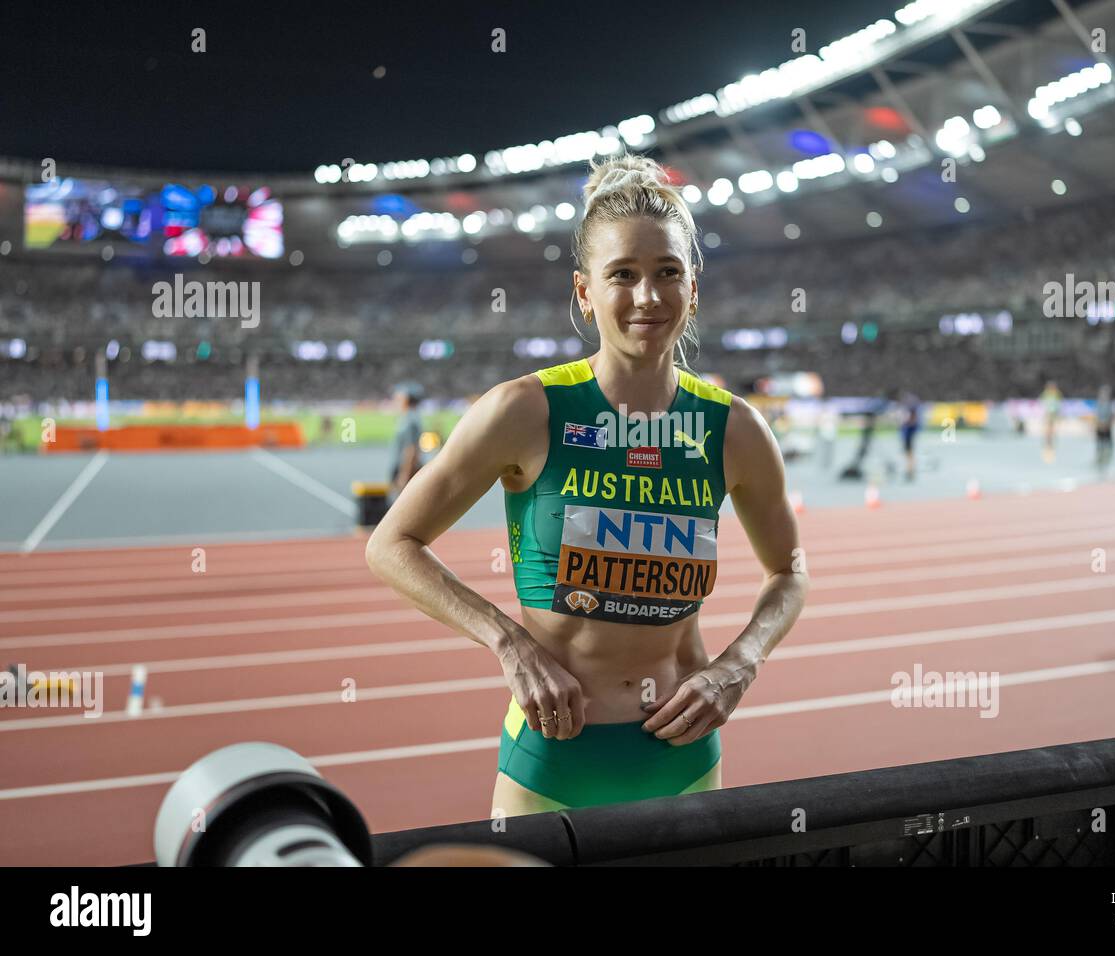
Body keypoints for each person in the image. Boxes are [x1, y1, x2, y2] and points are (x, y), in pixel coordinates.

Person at [365, 154, 809, 816]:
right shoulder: (524, 411)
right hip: (554, 755)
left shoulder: (733, 429)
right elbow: (391, 543)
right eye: (622, 275)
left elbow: (789, 569)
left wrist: (740, 661)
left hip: (682, 750)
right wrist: (507, 641)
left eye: (668, 274)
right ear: (584, 291)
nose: (647, 297)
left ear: (694, 291)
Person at [389, 383, 425, 496]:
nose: (395, 399)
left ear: (406, 399)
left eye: (398, 397)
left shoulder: (410, 420)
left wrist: (404, 475)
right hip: (402, 466)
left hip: (407, 470)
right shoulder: (406, 417)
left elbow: (412, 449)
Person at [899, 390, 921, 482]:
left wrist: (906, 424)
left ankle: (910, 470)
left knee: (909, 453)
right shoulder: (910, 408)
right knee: (908, 453)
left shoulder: (911, 410)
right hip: (907, 433)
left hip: (908, 433)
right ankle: (910, 469)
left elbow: (912, 420)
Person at [1039, 380, 1062, 463]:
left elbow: (1059, 404)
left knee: (1051, 428)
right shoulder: (1046, 393)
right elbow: (1042, 402)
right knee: (1048, 428)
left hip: (1053, 414)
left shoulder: (1057, 394)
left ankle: (1051, 440)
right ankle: (1048, 440)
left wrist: (1058, 413)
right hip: (1048, 414)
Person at [1094, 384, 1114, 474]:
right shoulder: (1099, 404)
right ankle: (1100, 457)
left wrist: (1107, 425)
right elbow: (1097, 416)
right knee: (1099, 443)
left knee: (1108, 444)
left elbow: (1111, 417)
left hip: (1106, 427)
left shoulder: (1108, 405)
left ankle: (1107, 459)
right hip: (1100, 427)